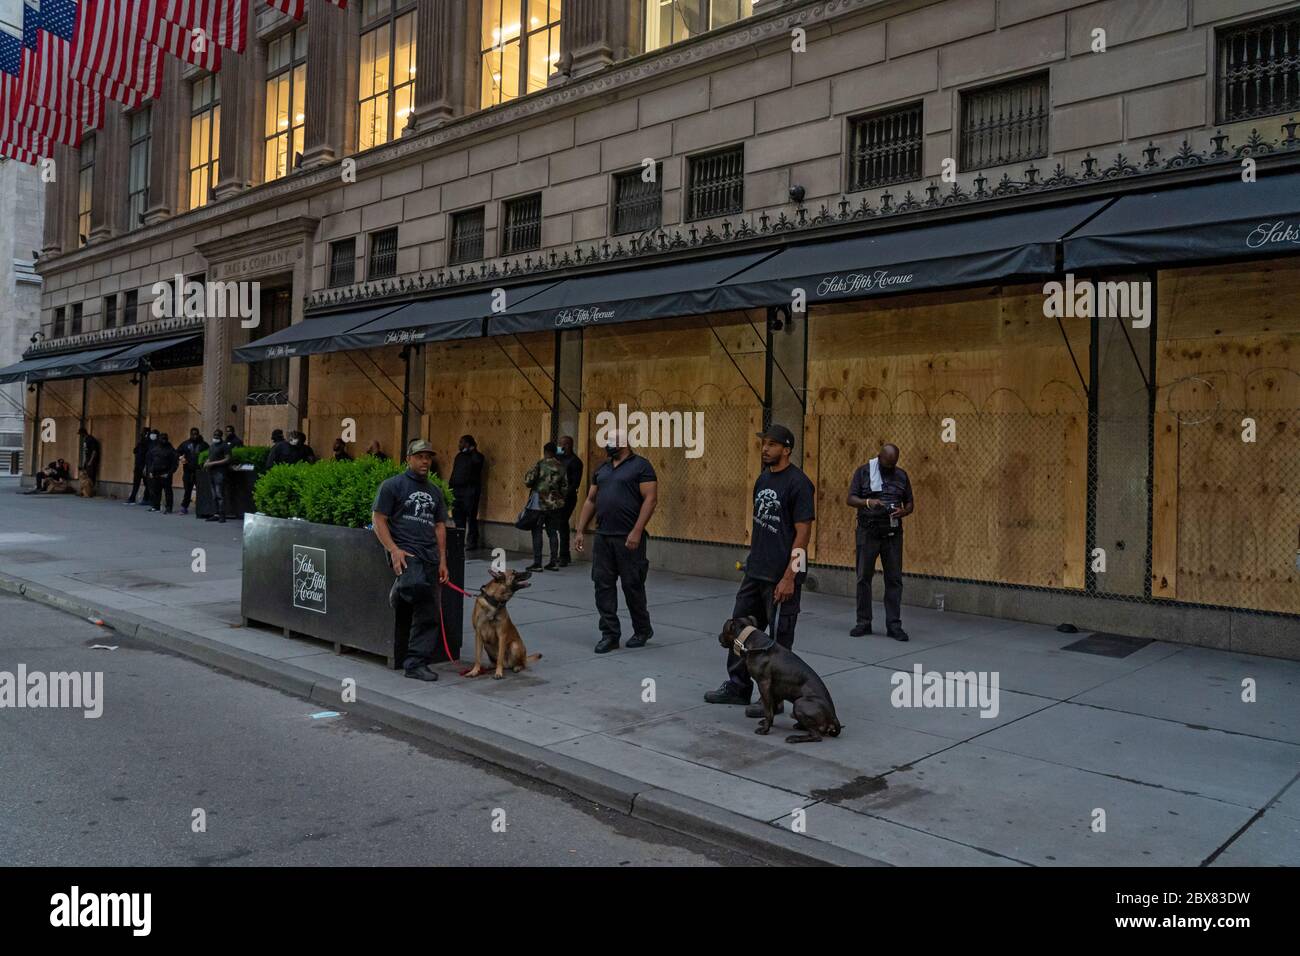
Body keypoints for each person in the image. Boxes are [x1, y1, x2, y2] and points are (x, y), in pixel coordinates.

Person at [705, 424, 816, 711]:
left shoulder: (799, 483)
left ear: (787, 449)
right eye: (764, 443)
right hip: (756, 572)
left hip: (781, 576)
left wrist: (790, 576)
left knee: (778, 643)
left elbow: (803, 534)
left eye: (772, 444)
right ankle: (738, 686)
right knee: (739, 630)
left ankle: (774, 699)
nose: (765, 448)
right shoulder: (763, 479)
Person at [371, 439, 449, 683]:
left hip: (429, 556)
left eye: (428, 457)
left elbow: (439, 527)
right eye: (420, 456)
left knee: (430, 612)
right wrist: (393, 550)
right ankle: (401, 587)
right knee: (415, 586)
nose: (425, 461)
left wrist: (443, 561)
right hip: (405, 552)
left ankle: (415, 664)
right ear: (409, 459)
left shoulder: (435, 491)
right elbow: (378, 519)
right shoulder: (392, 486)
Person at [574, 429, 657, 654]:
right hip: (604, 537)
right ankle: (609, 634)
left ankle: (642, 629)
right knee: (602, 585)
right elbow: (591, 499)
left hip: (628, 538)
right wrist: (580, 529)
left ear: (624, 443)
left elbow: (650, 499)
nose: (608, 445)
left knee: (632, 585)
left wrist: (637, 531)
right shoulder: (602, 468)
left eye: (612, 442)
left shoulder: (641, 466)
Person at [848, 442, 915, 642]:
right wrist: (869, 502)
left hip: (892, 534)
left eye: (893, 465)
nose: (889, 469)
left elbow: (910, 502)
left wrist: (904, 511)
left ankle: (894, 625)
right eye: (886, 465)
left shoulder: (901, 475)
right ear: (879, 458)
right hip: (868, 532)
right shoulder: (864, 472)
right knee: (863, 578)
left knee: (894, 580)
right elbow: (850, 499)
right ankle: (863, 622)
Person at [523, 442, 569, 572]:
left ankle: (537, 563)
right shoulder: (561, 467)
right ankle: (553, 562)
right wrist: (559, 498)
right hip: (555, 503)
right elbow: (565, 487)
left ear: (545, 451)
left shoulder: (540, 464)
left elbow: (528, 481)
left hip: (539, 504)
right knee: (553, 532)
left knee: (536, 531)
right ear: (555, 452)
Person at [449, 434, 485, 550]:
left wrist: (473, 450)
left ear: (468, 444)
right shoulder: (459, 456)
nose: (459, 445)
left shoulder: (478, 457)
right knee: (458, 517)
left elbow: (477, 462)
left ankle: (472, 542)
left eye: (462, 442)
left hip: (470, 491)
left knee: (471, 517)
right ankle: (459, 540)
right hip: (457, 490)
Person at [557, 435, 583, 567]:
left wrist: (565, 495)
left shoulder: (575, 461)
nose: (561, 447)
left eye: (564, 444)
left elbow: (575, 483)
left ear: (570, 445)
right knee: (559, 525)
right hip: (556, 496)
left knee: (562, 523)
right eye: (560, 444)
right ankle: (562, 555)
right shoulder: (558, 459)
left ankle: (564, 555)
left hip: (568, 497)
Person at [176, 428, 208, 515]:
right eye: (193, 434)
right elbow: (177, 452)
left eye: (196, 434)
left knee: (201, 490)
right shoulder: (185, 444)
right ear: (190, 434)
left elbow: (209, 454)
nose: (195, 436)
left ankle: (202, 508)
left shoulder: (203, 445)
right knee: (187, 490)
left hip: (199, 471)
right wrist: (181, 458)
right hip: (188, 471)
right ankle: (184, 507)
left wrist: (206, 462)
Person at [145, 432, 179, 514]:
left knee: (168, 491)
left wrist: (170, 473)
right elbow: (149, 461)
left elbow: (174, 463)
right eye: (162, 438)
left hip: (166, 473)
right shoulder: (154, 449)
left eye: (165, 438)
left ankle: (169, 507)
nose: (164, 440)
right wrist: (150, 471)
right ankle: (155, 506)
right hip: (155, 472)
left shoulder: (171, 450)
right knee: (155, 490)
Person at [204, 428, 232, 523]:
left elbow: (227, 459)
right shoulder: (212, 446)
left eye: (217, 435)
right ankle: (216, 514)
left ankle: (222, 515)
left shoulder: (225, 446)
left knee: (219, 494)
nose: (215, 437)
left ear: (221, 436)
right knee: (214, 495)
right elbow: (210, 457)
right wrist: (207, 462)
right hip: (211, 472)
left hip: (220, 472)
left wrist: (213, 463)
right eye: (214, 435)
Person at [126, 426, 156, 504]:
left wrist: (146, 467)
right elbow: (135, 450)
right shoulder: (141, 442)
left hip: (144, 465)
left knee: (147, 483)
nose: (142, 434)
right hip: (138, 465)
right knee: (137, 483)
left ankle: (146, 499)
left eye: (144, 432)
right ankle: (133, 498)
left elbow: (148, 455)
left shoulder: (149, 443)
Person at [77, 427, 100, 494]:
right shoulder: (86, 439)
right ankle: (85, 490)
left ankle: (90, 490)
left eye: (81, 434)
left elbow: (94, 451)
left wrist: (90, 461)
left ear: (83, 433)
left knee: (91, 476)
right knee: (86, 475)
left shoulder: (91, 439)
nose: (80, 436)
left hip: (91, 460)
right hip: (87, 460)